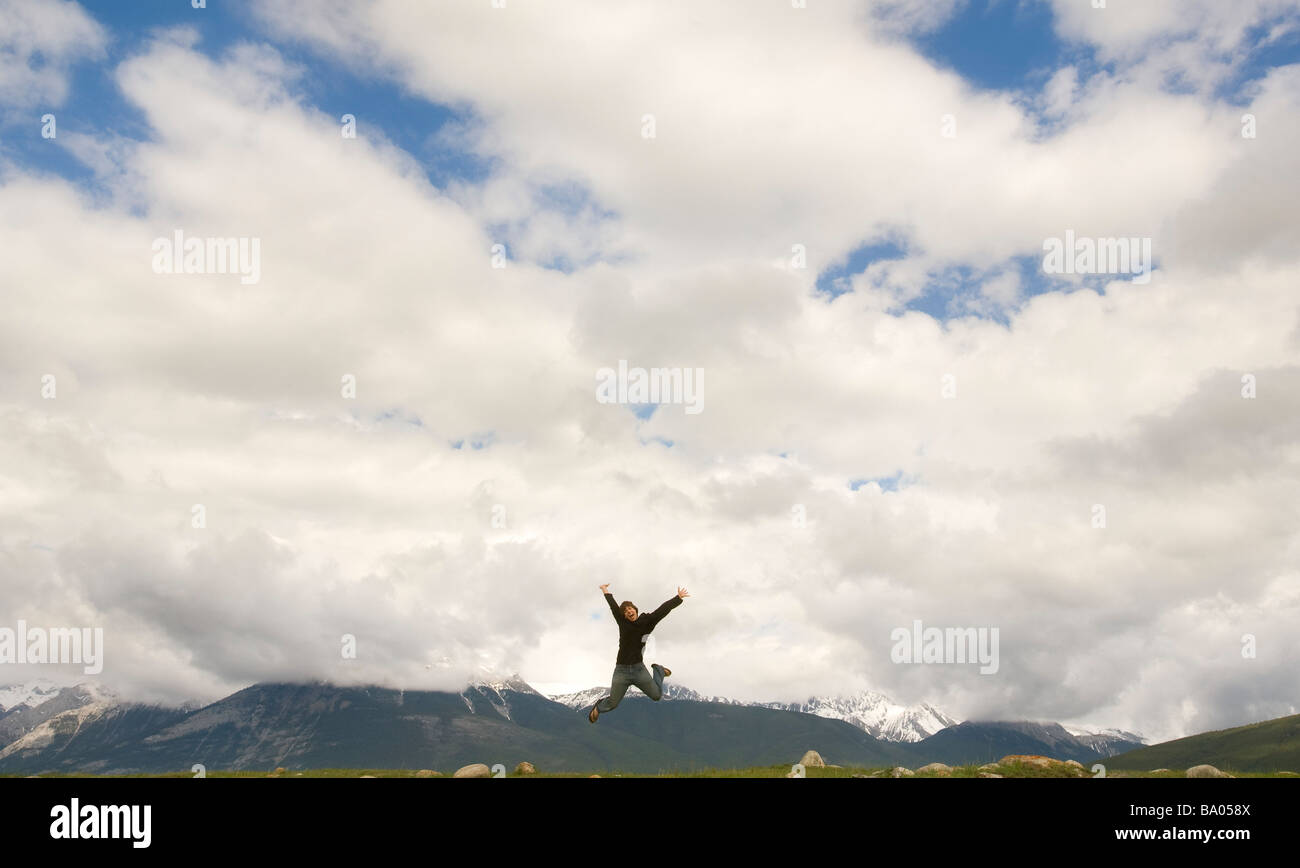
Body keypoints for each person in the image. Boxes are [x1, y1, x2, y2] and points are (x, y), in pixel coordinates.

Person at [587, 584, 689, 723]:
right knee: (612, 703)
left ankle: (658, 671)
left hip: (638, 669)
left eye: (630, 608)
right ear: (624, 615)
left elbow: (662, 610)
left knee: (657, 696)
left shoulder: (647, 621)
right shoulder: (622, 623)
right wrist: (605, 590)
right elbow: (613, 606)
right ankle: (598, 707)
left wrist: (677, 598)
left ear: (635, 610)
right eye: (626, 611)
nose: (629, 611)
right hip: (621, 671)